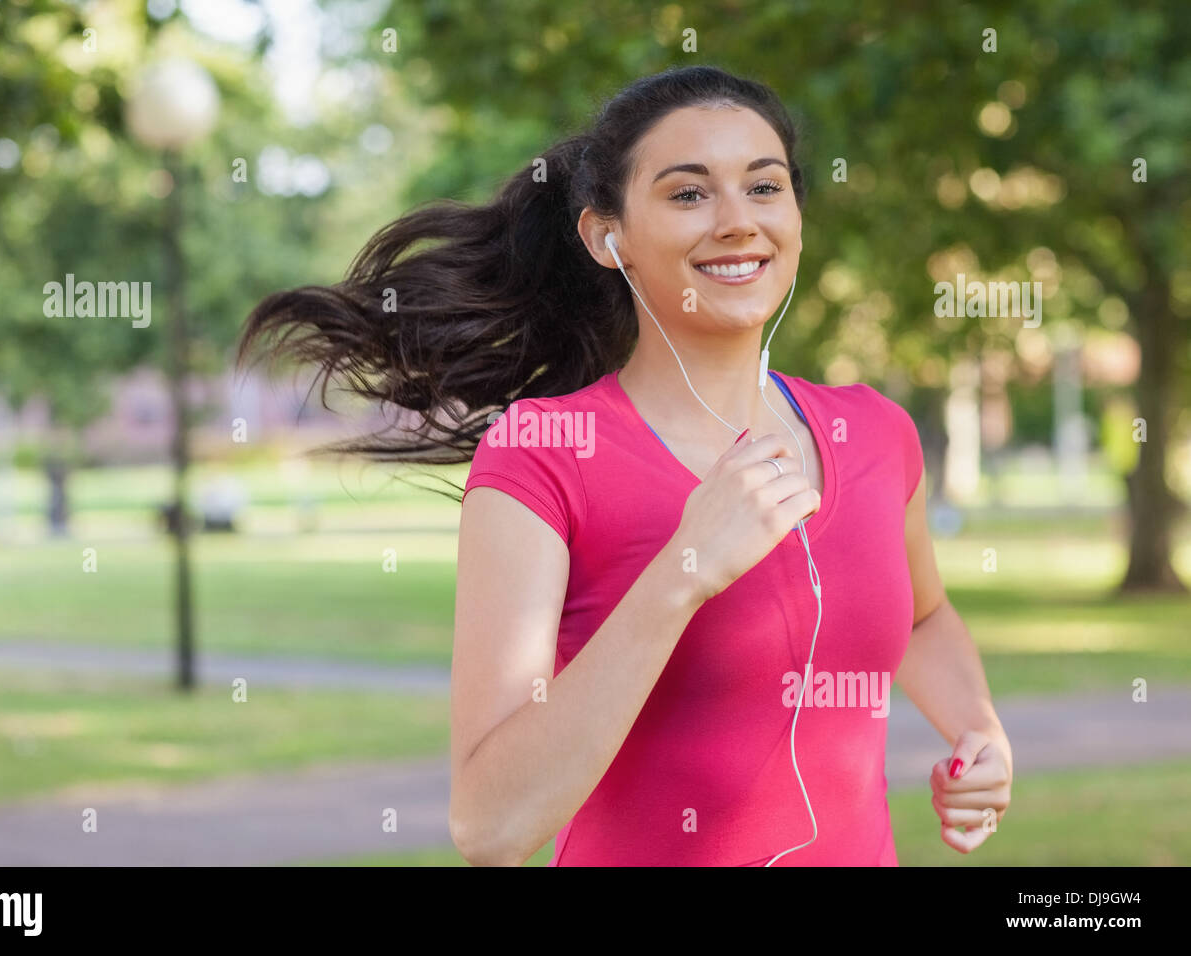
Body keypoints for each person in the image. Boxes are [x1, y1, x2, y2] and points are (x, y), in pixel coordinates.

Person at [236, 64, 1012, 866]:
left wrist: (978, 728)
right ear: (607, 236)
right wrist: (683, 572)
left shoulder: (876, 433)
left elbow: (922, 616)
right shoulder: (543, 455)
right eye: (688, 194)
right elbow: (492, 827)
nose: (738, 221)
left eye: (765, 187)